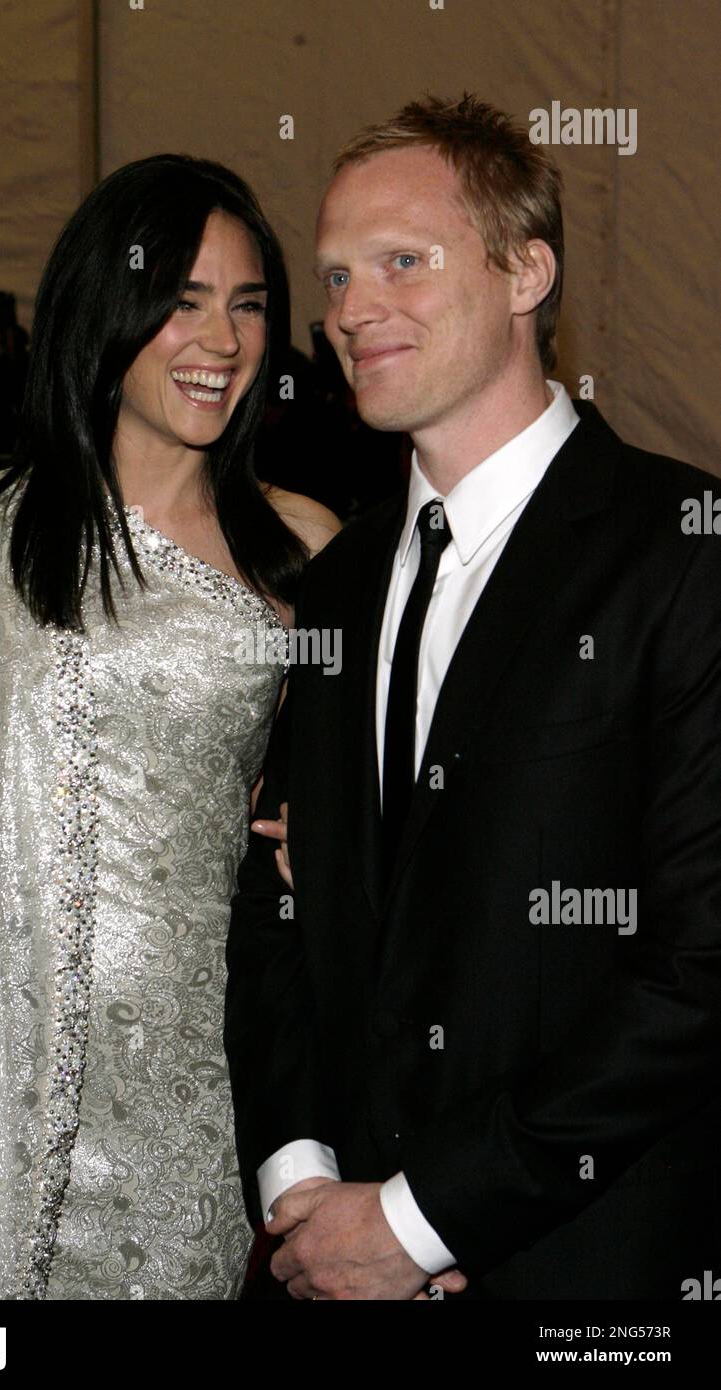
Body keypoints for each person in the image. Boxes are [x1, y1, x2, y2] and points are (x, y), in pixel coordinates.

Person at [224, 93, 721, 1300]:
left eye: (401, 261)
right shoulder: (334, 585)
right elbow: (274, 893)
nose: (349, 311)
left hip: (582, 1271)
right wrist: (301, 1181)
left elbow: (698, 967)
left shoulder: (681, 552)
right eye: (334, 277)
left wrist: (424, 1218)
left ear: (523, 271)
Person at [0, 154, 339, 1299]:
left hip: (187, 1096)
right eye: (180, 302)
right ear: (105, 309)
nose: (219, 340)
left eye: (248, 305)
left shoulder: (303, 550)